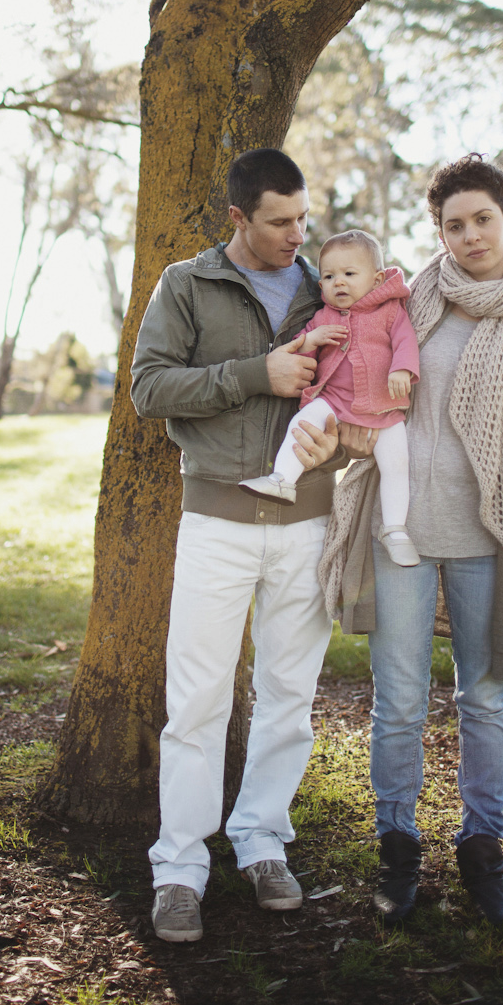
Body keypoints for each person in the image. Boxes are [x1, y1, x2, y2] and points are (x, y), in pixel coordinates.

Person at [318, 154, 503, 927]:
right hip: (400, 535)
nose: (469, 236)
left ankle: (482, 850)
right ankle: (397, 849)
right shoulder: (405, 303)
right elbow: (354, 380)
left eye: (483, 220)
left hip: (492, 539)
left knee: (484, 700)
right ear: (438, 231)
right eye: (453, 224)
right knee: (397, 703)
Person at [130, 148, 376, 944]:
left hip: (307, 523)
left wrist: (345, 436)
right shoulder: (186, 284)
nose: (297, 235)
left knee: (289, 699)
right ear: (237, 217)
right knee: (196, 701)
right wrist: (251, 374)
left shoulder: (326, 287)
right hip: (215, 524)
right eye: (279, 222)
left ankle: (263, 840)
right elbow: (149, 388)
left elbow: (364, 383)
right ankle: (179, 865)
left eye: (304, 218)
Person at [239, 229, 421, 567]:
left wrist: (401, 370)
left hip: (383, 407)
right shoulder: (324, 316)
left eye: (350, 274)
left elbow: (405, 342)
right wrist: (313, 339)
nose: (339, 283)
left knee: (397, 465)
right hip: (334, 400)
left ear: (376, 278)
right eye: (329, 276)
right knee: (302, 423)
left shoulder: (390, 312)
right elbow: (296, 346)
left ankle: (395, 529)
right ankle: (282, 480)